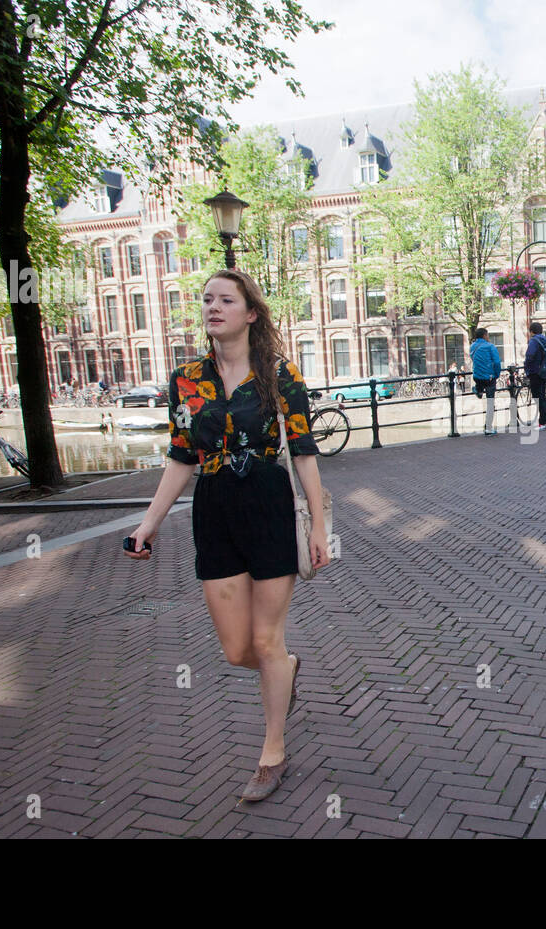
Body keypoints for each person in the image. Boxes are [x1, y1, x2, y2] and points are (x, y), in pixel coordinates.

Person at [124, 268, 329, 803]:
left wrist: (320, 526)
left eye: (226, 300)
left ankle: (272, 753)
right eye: (207, 300)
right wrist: (149, 523)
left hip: (267, 503)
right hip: (214, 509)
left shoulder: (279, 373)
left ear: (250, 313)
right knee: (240, 650)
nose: (213, 307)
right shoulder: (187, 379)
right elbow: (180, 456)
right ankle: (284, 669)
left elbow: (304, 451)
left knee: (265, 640)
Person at [469, 328, 502, 435]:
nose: (488, 337)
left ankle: (478, 390)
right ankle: (488, 428)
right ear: (484, 335)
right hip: (489, 378)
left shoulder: (472, 346)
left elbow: (473, 358)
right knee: (490, 403)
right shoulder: (490, 346)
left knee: (479, 383)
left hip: (477, 377)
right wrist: (496, 374)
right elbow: (497, 362)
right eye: (487, 335)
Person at [523, 321, 546, 430]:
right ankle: (544, 420)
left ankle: (543, 422)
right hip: (544, 371)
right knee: (542, 395)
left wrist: (526, 367)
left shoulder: (534, 341)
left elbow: (530, 355)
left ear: (531, 331)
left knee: (538, 397)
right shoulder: (545, 340)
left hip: (535, 372)